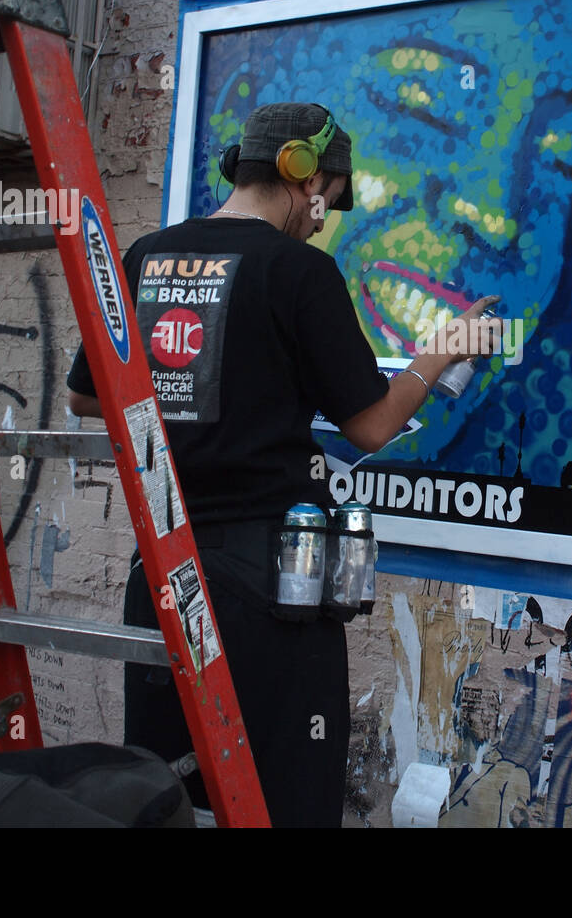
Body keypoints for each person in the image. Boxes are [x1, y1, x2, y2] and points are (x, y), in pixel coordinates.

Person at [66, 101, 497, 826]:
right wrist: (442, 348)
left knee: (167, 790)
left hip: (158, 579)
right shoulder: (301, 272)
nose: (322, 217)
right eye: (327, 196)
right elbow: (371, 424)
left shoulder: (145, 256)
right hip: (264, 592)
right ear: (306, 176)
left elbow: (86, 398)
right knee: (280, 794)